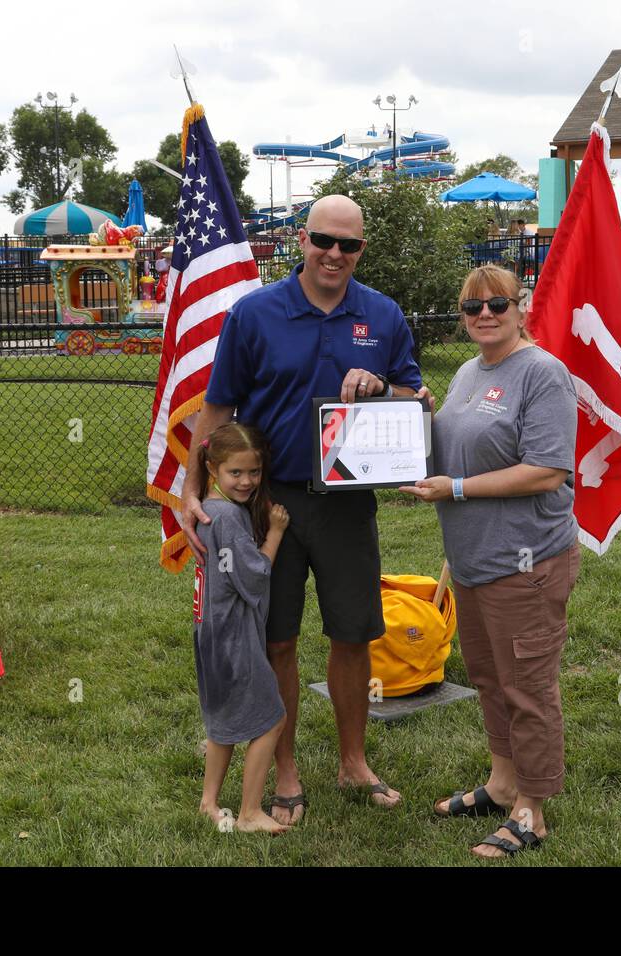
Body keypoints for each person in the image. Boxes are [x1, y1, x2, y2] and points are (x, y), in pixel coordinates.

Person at [180, 194, 434, 826]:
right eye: (324, 240)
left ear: (361, 250)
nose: (335, 254)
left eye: (349, 245)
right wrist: (190, 489)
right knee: (278, 639)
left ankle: (354, 761)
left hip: (349, 502)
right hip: (272, 503)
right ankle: (285, 766)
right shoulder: (256, 313)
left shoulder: (381, 313)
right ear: (302, 238)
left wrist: (382, 386)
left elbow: (413, 391)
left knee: (353, 634)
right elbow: (217, 409)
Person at [400, 265, 580, 859]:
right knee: (489, 680)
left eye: (497, 305)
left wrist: (457, 489)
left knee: (527, 686)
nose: (484, 316)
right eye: (472, 307)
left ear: (520, 308)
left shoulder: (543, 374)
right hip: (474, 561)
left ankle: (532, 807)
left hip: (525, 562)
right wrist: (415, 416)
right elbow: (450, 449)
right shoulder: (468, 372)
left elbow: (547, 470)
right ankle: (503, 784)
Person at [190, 423, 291, 834]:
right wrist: (277, 534)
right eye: (236, 473)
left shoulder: (205, 512)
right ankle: (249, 813)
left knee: (223, 721)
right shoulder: (229, 518)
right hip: (234, 636)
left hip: (209, 632)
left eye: (254, 472)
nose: (247, 481)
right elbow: (252, 576)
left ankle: (209, 801)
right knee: (271, 719)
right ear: (213, 468)